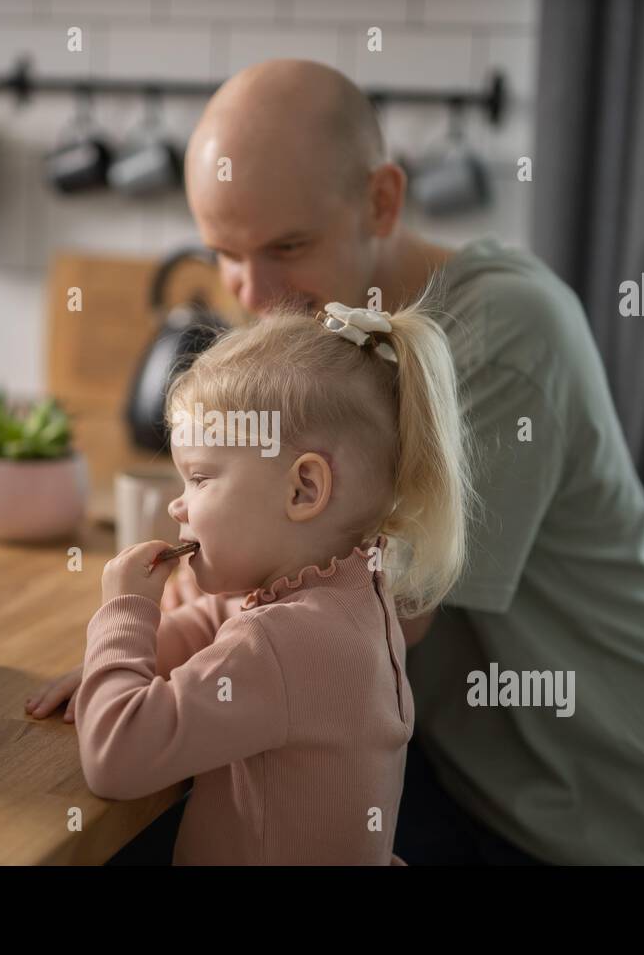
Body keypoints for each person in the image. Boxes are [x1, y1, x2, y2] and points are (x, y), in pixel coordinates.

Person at [28, 59, 644, 865]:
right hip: (474, 771)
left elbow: (392, 608)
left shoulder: (503, 334)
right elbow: (267, 588)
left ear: (382, 200)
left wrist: (136, 656)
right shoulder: (353, 346)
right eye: (225, 254)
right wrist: (147, 648)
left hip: (590, 816)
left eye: (288, 245)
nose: (253, 295)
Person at [68, 296, 469, 864]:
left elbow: (114, 758)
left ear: (303, 489)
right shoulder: (355, 594)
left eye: (200, 478)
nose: (179, 505)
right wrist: (118, 666)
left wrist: (123, 616)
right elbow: (221, 619)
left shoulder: (278, 644)